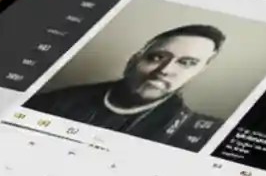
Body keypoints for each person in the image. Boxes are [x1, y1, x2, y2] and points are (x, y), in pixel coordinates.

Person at [29, 24, 225, 149]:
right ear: (133, 60)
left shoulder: (204, 135)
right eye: (157, 57)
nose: (165, 70)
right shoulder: (55, 101)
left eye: (187, 63)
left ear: (197, 72)